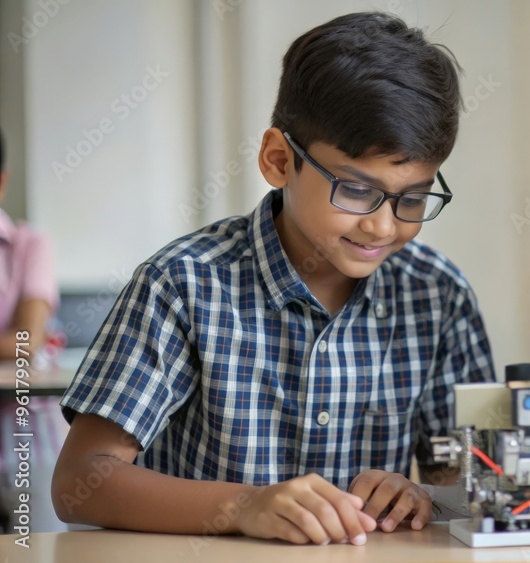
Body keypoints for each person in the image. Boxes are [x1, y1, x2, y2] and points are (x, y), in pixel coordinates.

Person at [52, 12, 494, 546]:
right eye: (356, 190)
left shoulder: (437, 296)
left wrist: (418, 495)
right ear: (279, 160)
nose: (383, 226)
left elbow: (475, 482)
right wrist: (245, 505)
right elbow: (80, 483)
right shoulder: (183, 285)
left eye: (414, 198)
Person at [0, 126, 67, 533]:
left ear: (1, 182)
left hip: (24, 430)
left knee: (37, 547)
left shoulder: (29, 245)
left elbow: (26, 341)